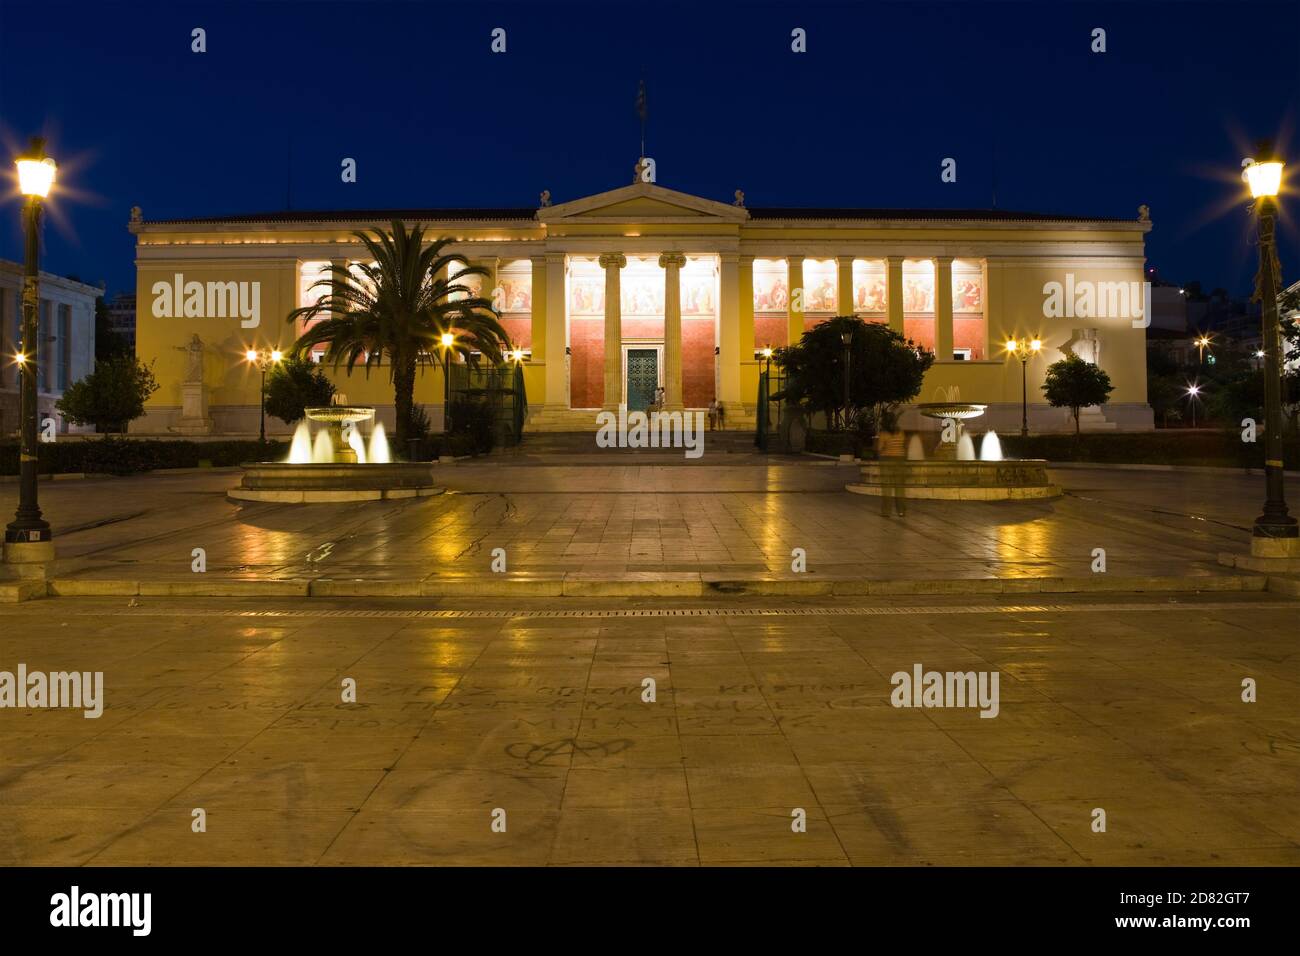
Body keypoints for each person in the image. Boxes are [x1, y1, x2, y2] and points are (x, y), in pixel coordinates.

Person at [875, 411, 908, 517]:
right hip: (900, 460)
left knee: (887, 487)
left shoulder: (883, 434)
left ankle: (886, 511)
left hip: (886, 460)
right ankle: (901, 511)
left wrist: (882, 447)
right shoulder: (901, 432)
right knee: (899, 487)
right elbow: (903, 446)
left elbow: (880, 448)